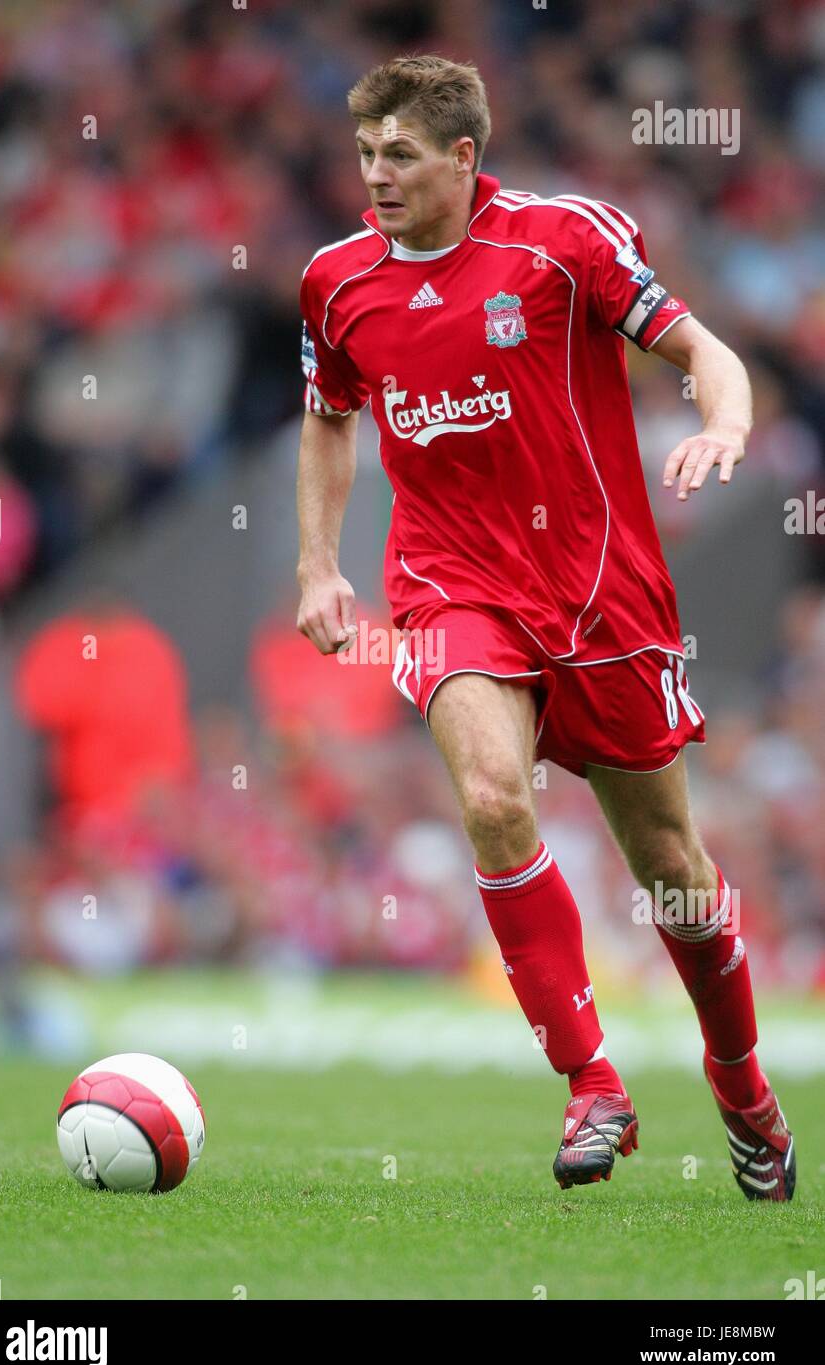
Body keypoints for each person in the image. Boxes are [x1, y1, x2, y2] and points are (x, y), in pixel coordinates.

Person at [295, 55, 794, 1199]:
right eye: (365, 153)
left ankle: (740, 1087)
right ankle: (589, 1084)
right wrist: (319, 567)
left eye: (400, 156)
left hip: (598, 587)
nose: (375, 175)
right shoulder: (333, 282)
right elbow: (327, 419)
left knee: (668, 864)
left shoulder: (560, 243)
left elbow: (699, 350)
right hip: (448, 581)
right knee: (489, 796)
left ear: (463, 160)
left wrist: (719, 425)